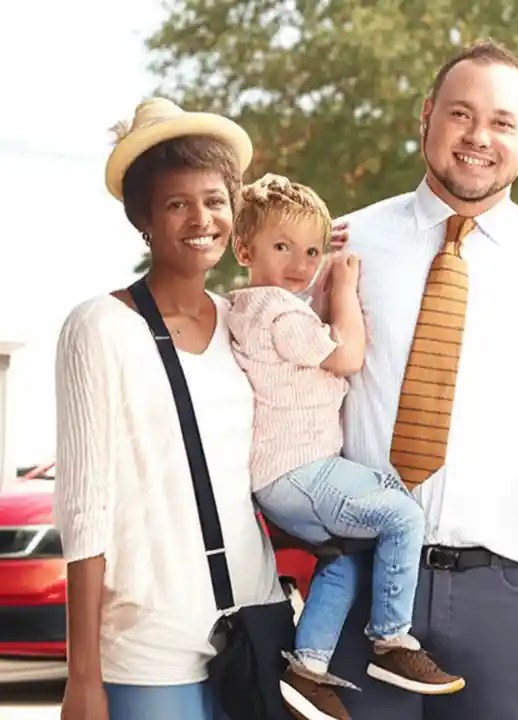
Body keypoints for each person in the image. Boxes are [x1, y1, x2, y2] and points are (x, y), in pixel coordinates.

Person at [323, 38, 518, 719]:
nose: (478, 137)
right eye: (461, 114)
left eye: (502, 122)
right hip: (361, 578)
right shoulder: (345, 245)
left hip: (499, 595)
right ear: (426, 115)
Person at [53, 98, 285, 719]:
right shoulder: (99, 327)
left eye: (214, 200)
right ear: (144, 222)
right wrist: (83, 678)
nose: (201, 218)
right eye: (177, 203)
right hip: (148, 648)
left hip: (253, 627)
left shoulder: (246, 323)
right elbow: (84, 508)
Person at [224, 173, 465, 720]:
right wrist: (343, 290)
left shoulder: (253, 307)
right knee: (403, 516)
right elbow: (347, 354)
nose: (300, 262)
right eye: (282, 247)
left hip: (281, 480)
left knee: (347, 559)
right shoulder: (281, 313)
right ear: (243, 248)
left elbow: (293, 307)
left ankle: (306, 669)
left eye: (310, 250)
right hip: (302, 472)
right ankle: (392, 641)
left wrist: (311, 270)